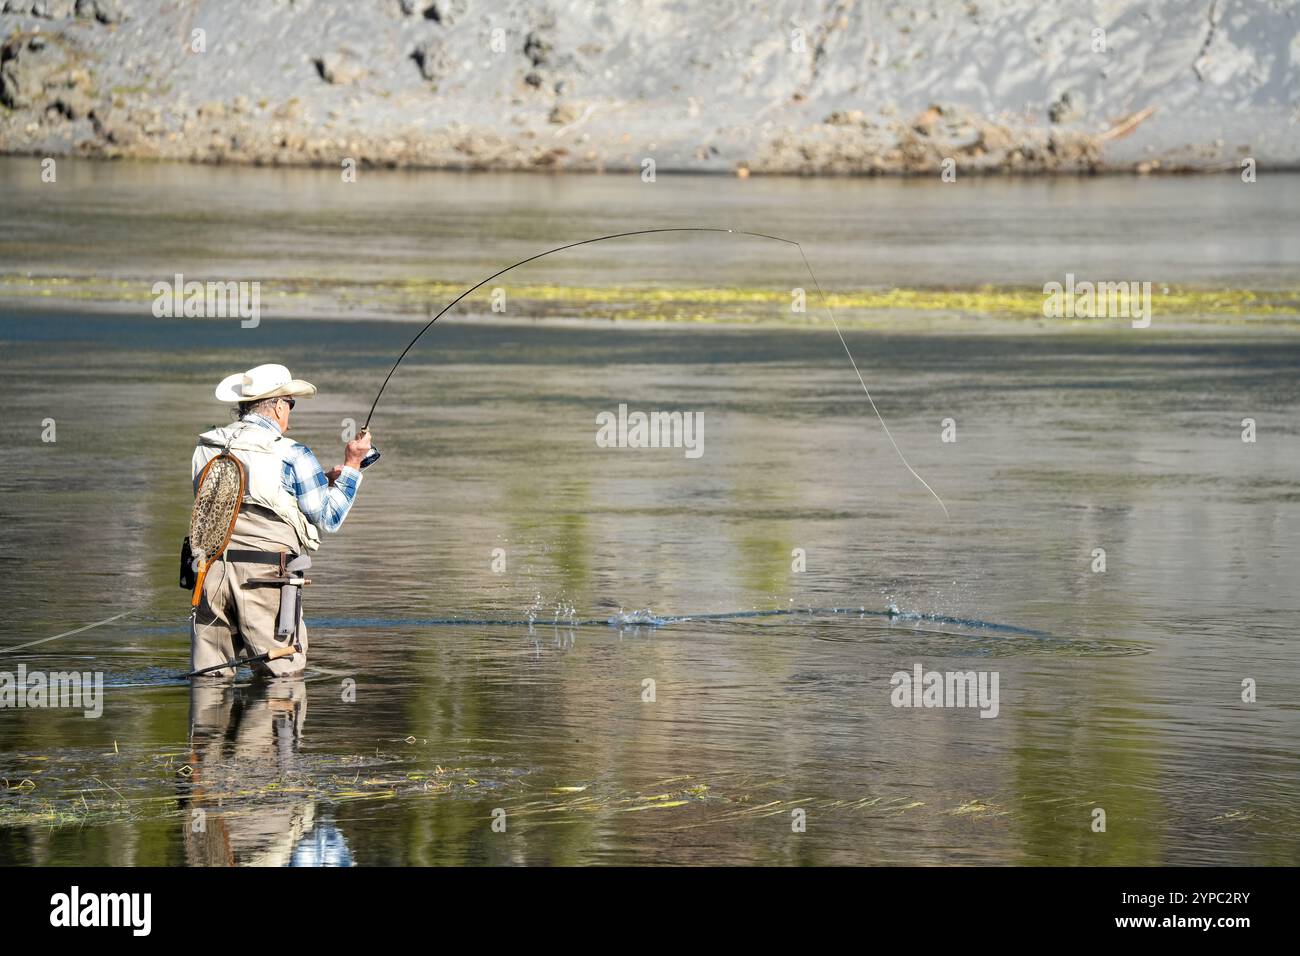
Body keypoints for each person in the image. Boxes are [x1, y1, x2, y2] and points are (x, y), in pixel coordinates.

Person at [190, 363, 372, 677]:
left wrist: (321, 480)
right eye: (290, 404)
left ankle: (208, 725)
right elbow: (328, 518)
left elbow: (237, 499)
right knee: (282, 676)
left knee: (210, 678)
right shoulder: (292, 453)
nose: (289, 412)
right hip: (265, 575)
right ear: (276, 405)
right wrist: (352, 466)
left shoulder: (207, 446)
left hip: (208, 572)